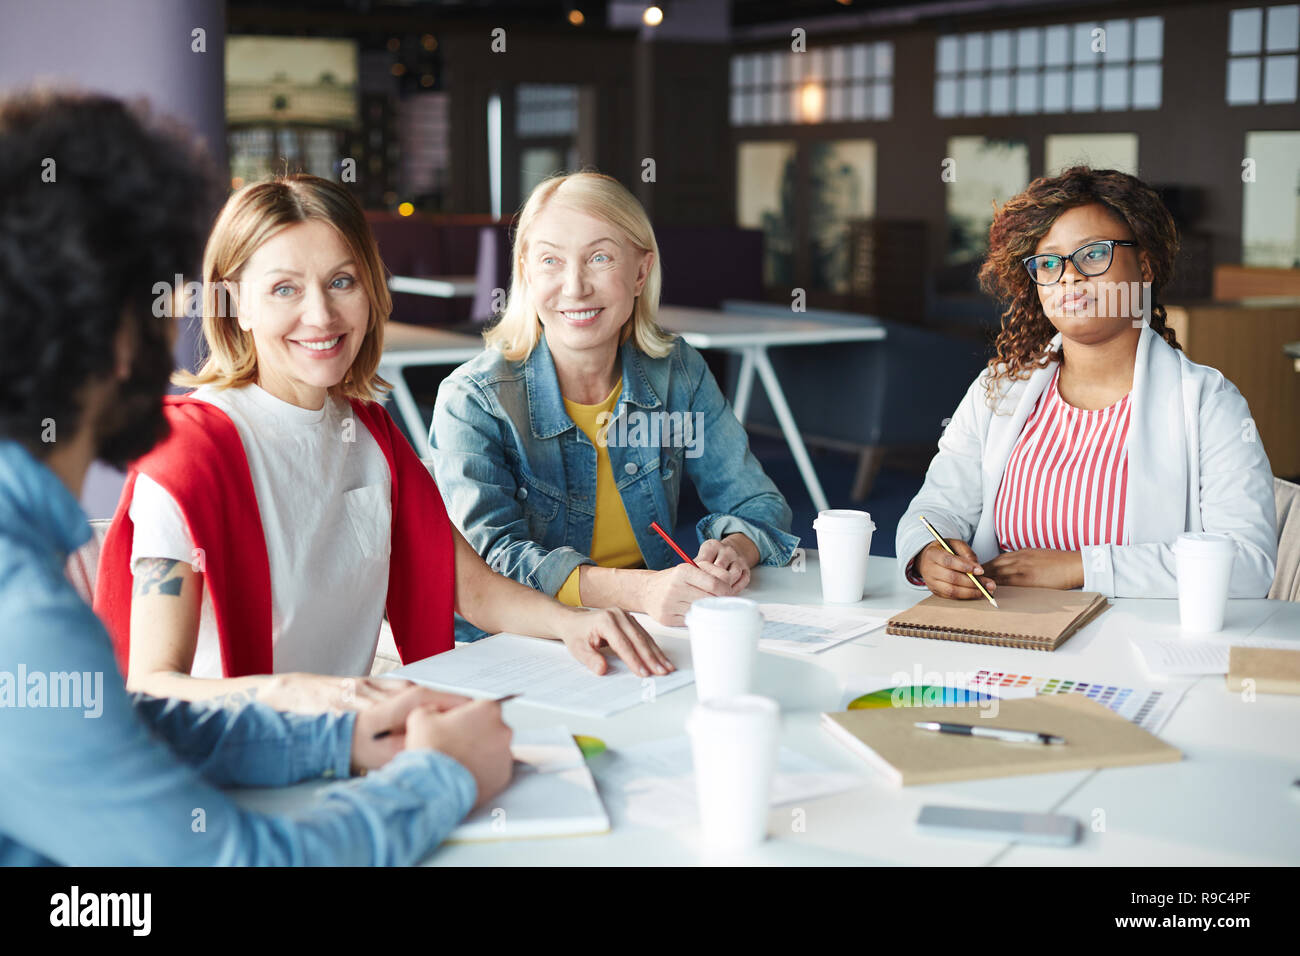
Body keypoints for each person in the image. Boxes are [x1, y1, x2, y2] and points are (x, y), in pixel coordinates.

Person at [0, 90, 513, 865]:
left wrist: (333, 737)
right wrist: (441, 777)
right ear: (118, 340)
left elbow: (126, 721)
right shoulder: (25, 616)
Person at [94, 173, 674, 711]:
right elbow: (153, 687)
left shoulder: (370, 435)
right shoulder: (189, 454)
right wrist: (308, 692)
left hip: (353, 742)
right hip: (231, 761)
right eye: (283, 289)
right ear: (237, 303)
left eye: (341, 282)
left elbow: (473, 592)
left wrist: (574, 622)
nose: (319, 315)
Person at [431, 172, 799, 628]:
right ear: (525, 271)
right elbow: (490, 565)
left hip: (645, 627)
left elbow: (757, 501)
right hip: (515, 639)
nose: (575, 286)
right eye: (550, 261)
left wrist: (735, 550)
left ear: (641, 272)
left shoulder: (677, 371)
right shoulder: (473, 400)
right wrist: (642, 590)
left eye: (600, 257)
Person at [897, 166, 1277, 600]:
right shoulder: (998, 391)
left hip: (1136, 652)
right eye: (1049, 262)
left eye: (1093, 254)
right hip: (1004, 639)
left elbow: (1249, 564)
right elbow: (935, 509)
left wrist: (1082, 568)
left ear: (1146, 267)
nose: (1069, 276)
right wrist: (929, 553)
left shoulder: (1208, 403)